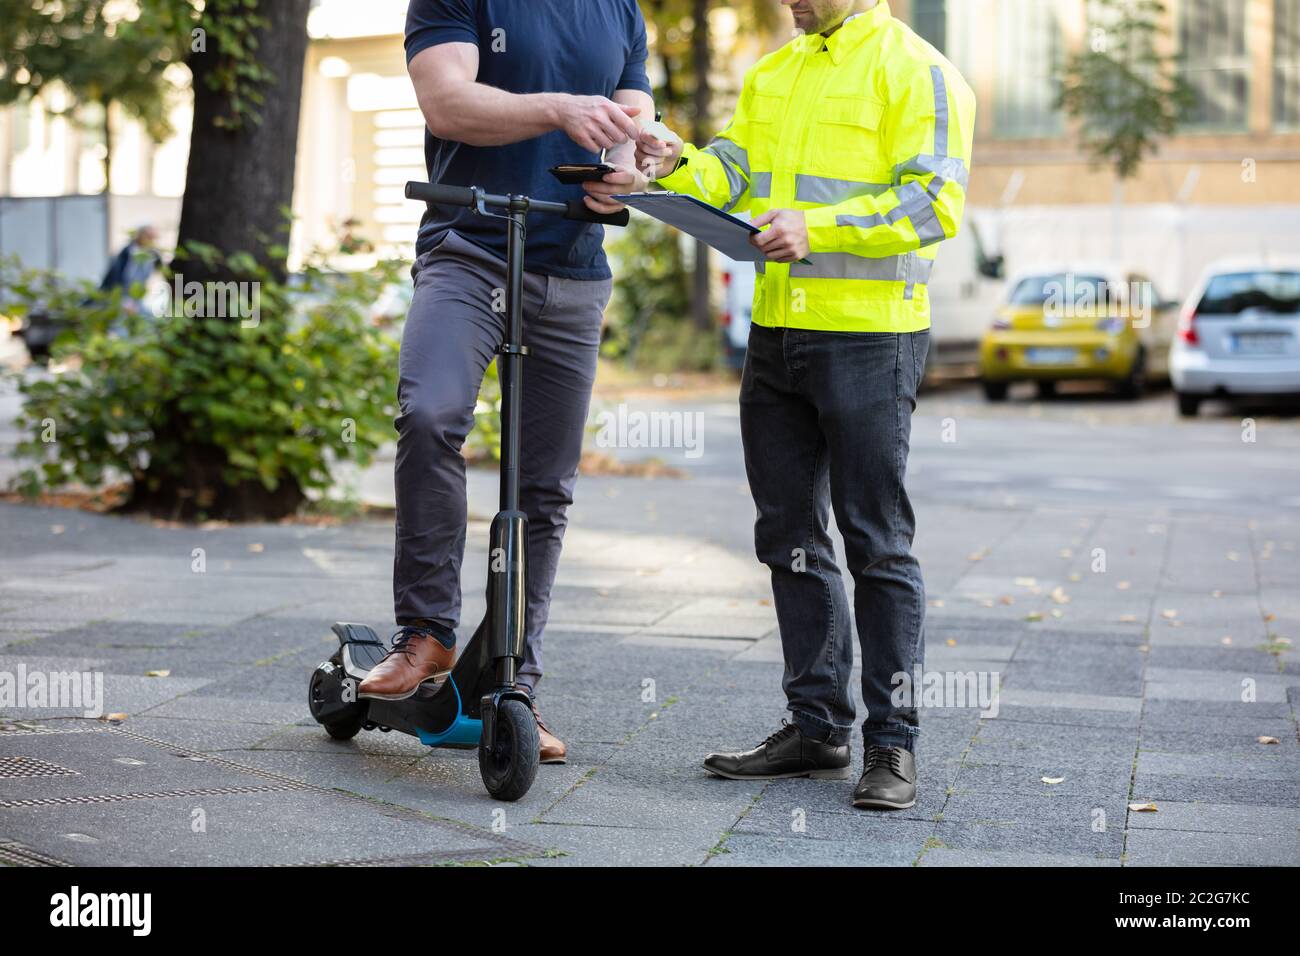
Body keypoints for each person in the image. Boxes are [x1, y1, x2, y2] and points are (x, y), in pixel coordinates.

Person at [618, 0, 976, 810]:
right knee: (788, 535)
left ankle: (893, 745)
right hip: (776, 335)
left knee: (877, 542)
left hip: (870, 339)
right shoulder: (776, 71)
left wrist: (818, 227)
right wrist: (676, 161)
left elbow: (933, 204)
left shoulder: (920, 71)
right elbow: (734, 174)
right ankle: (818, 728)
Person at [357, 0, 657, 766]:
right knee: (430, 414)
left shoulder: (619, 8)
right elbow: (446, 102)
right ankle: (425, 635)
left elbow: (633, 123)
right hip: (471, 249)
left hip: (575, 269)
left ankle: (513, 682)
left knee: (545, 488)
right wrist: (557, 109)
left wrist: (635, 169)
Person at [100, 225, 161, 315]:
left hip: (136, 300)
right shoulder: (126, 254)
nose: (151, 242)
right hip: (119, 298)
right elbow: (115, 279)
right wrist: (124, 301)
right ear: (140, 236)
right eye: (149, 237)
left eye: (153, 239)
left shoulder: (152, 256)